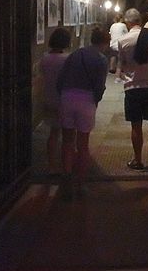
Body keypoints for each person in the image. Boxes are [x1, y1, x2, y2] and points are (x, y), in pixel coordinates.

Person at [56, 25, 110, 194]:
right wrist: (96, 100)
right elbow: (99, 85)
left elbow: (61, 78)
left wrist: (63, 94)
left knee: (67, 140)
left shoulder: (76, 54)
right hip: (86, 100)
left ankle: (66, 175)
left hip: (67, 96)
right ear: (105, 43)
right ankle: (80, 180)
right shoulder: (101, 59)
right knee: (83, 143)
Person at [118, 7, 148, 172]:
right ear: (140, 20)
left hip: (133, 86)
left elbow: (122, 65)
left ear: (128, 22)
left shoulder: (123, 41)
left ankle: (138, 160)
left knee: (136, 125)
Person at [40, 27, 71, 173]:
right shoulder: (66, 59)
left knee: (53, 133)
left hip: (49, 98)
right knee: (68, 135)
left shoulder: (45, 58)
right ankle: (67, 166)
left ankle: (51, 165)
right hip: (64, 100)